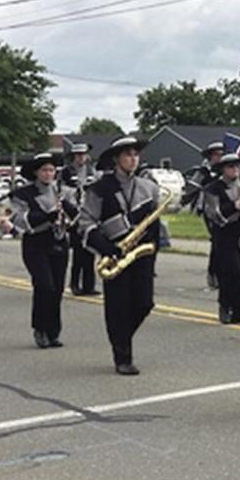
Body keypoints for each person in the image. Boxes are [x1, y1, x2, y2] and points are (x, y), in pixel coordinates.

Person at [77, 136, 164, 375]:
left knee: (145, 303)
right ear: (117, 159)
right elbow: (86, 223)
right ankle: (122, 356)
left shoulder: (149, 188)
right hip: (114, 253)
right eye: (128, 155)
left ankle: (121, 338)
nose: (133, 159)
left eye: (136, 154)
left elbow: (154, 224)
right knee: (117, 307)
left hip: (141, 254)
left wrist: (152, 249)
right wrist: (106, 248)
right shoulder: (99, 189)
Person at [13, 153, 78, 349]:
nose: (49, 174)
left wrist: (69, 209)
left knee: (57, 288)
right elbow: (20, 220)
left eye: (51, 170)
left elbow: (77, 218)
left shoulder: (64, 191)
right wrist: (46, 217)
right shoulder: (22, 193)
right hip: (36, 244)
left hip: (59, 242)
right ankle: (40, 329)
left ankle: (53, 332)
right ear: (36, 172)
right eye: (44, 170)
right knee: (44, 286)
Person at [202, 153, 240, 324]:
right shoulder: (212, 189)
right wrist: (235, 206)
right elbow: (213, 214)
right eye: (231, 167)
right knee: (232, 272)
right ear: (223, 169)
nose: (235, 170)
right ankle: (225, 306)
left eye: (238, 166)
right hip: (225, 236)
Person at [182, 141, 225, 289]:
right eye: (217, 154)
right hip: (208, 208)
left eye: (222, 154)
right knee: (217, 240)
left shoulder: (225, 170)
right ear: (211, 156)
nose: (220, 157)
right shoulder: (203, 172)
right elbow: (191, 189)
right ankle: (213, 274)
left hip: (226, 209)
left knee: (224, 242)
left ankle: (223, 273)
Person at [61, 143, 99, 295]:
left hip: (89, 214)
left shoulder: (92, 171)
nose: (81, 157)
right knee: (78, 253)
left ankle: (89, 286)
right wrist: (72, 213)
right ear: (73, 157)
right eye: (78, 155)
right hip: (74, 215)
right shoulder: (66, 172)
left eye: (83, 154)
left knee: (90, 251)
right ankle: (75, 285)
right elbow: (62, 194)